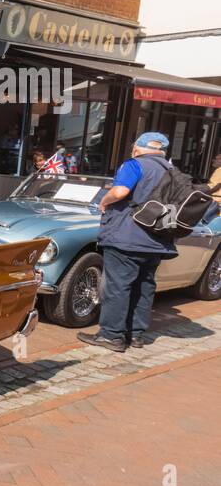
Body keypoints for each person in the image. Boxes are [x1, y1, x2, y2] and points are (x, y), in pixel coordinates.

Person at [77, 132, 178, 352]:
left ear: (137, 148)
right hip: (157, 239)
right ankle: (136, 335)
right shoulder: (172, 171)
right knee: (144, 286)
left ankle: (111, 336)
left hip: (127, 236)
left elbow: (120, 191)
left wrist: (104, 201)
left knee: (118, 286)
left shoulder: (134, 164)